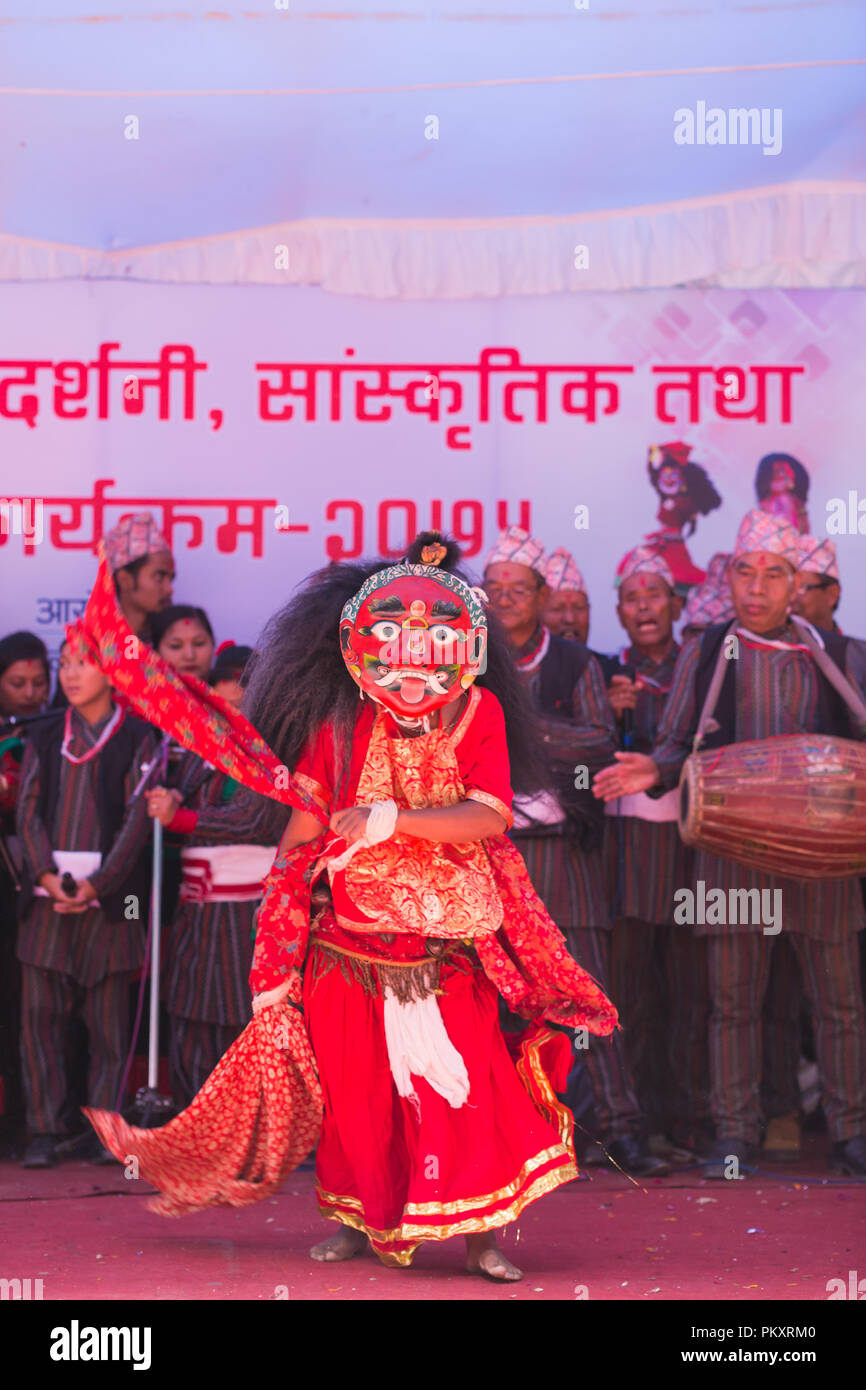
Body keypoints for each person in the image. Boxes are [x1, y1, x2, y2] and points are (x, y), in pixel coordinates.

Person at [85, 531, 618, 1280]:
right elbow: (302, 840)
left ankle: (482, 1235)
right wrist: (280, 933)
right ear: (358, 646)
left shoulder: (480, 714)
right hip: (347, 948)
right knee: (356, 1103)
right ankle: (355, 1219)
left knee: (467, 1093)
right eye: (391, 644)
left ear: (459, 648)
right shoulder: (339, 724)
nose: (409, 668)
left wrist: (393, 821)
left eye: (429, 645)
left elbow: (489, 815)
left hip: (445, 948)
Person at [594, 508, 866, 1178]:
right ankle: (735, 1136)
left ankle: (851, 1132)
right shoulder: (711, 649)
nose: (757, 587)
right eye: (745, 571)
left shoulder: (831, 652)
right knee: (734, 1001)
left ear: (796, 583)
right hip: (729, 854)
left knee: (840, 1001)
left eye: (774, 574)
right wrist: (652, 769)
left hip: (821, 858)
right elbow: (677, 743)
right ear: (732, 576)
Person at [483, 525, 668, 1178]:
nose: (505, 599)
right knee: (485, 997)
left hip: (565, 854)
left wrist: (506, 734)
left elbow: (594, 743)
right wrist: (537, 747)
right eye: (493, 588)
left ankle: (621, 1133)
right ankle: (500, 1141)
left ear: (541, 595)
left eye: (519, 589)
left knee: (583, 993)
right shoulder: (463, 658)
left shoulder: (576, 664)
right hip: (482, 853)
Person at [15, 637, 157, 1167]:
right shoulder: (47, 732)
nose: (71, 675)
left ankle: (106, 1128)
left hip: (120, 898)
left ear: (113, 672)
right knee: (40, 1016)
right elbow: (26, 812)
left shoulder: (140, 736)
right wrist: (47, 875)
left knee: (111, 1020)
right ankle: (44, 1130)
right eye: (67, 664)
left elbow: (137, 822)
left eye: (85, 664)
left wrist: (101, 885)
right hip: (46, 895)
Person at [600, 547, 709, 1151]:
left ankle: (688, 1123)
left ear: (674, 604)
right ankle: (632, 1126)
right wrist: (609, 715)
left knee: (690, 994)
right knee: (629, 993)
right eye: (633, 597)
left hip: (692, 848)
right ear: (620, 611)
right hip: (628, 855)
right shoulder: (607, 672)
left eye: (654, 595)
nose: (644, 606)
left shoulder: (702, 668)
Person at [104, 512, 175, 644]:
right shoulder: (94, 643)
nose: (169, 590)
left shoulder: (172, 645)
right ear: (125, 580)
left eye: (171, 579)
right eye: (159, 578)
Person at [542, 548, 591, 645]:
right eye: (557, 609)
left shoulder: (598, 660)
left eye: (579, 608)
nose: (570, 619)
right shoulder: (510, 659)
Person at [793, 536, 842, 632]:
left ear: (831, 594)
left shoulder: (851, 647)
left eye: (800, 588)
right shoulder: (762, 646)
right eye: (788, 589)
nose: (791, 598)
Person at [152, 606, 215, 680]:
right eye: (176, 646)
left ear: (213, 644)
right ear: (156, 652)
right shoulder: (141, 691)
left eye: (199, 643)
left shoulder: (228, 690)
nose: (190, 655)